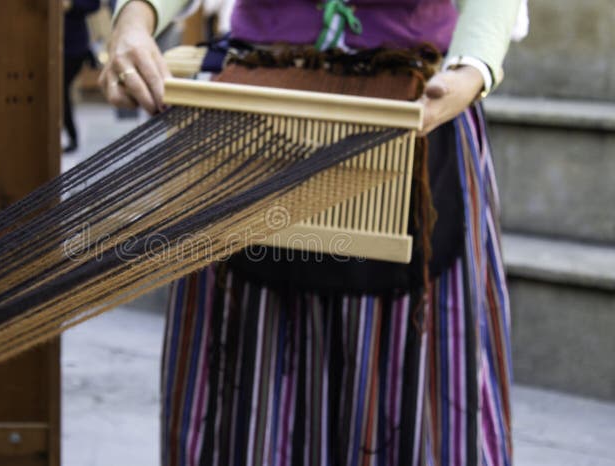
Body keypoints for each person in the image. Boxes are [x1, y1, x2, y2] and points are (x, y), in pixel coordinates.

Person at [100, 0, 521, 464]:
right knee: (245, 394)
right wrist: (134, 19)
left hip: (416, 120)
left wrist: (472, 68)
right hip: (253, 117)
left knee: (406, 395)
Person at [63, 0, 101, 153]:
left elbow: (94, 4)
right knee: (59, 92)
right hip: (49, 45)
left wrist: (71, 5)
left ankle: (72, 138)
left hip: (74, 47)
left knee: (60, 91)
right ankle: (71, 137)